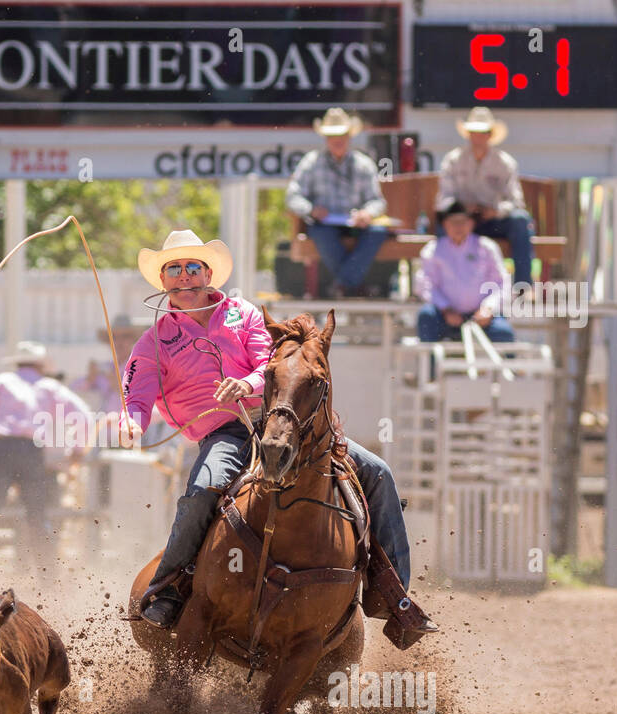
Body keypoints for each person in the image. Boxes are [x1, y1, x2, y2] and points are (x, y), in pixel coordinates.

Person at [120, 229, 436, 637]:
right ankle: (170, 587)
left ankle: (395, 597)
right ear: (163, 281)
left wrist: (247, 386)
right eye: (174, 269)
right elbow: (138, 394)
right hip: (226, 433)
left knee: (377, 472)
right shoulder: (154, 342)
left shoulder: (243, 314)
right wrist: (132, 422)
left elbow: (270, 364)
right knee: (203, 491)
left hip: (282, 421)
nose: (184, 276)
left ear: (208, 273)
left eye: (192, 267)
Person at [0, 340, 92, 570]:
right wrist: (77, 448)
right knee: (37, 517)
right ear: (41, 364)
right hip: (31, 452)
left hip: (2, 449)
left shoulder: (2, 381)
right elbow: (83, 415)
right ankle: (48, 578)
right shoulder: (48, 386)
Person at [285, 108, 389, 297]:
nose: (337, 139)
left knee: (378, 232)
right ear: (325, 138)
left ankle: (342, 284)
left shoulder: (364, 164)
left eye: (341, 134)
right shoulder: (311, 162)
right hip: (325, 225)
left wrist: (367, 213)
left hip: (357, 225)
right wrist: (311, 210)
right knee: (320, 232)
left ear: (349, 136)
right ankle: (354, 286)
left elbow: (377, 201)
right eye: (332, 135)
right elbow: (293, 197)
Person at [435, 106, 534, 292]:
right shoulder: (453, 160)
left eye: (482, 132)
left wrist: (495, 211)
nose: (477, 137)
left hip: (493, 222)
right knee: (443, 224)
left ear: (490, 135)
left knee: (521, 221)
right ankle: (443, 285)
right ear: (468, 134)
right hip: (461, 222)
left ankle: (522, 287)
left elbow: (515, 202)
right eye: (474, 132)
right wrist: (462, 210)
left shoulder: (504, 163)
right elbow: (444, 200)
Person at [415, 201, 518, 344]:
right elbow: (426, 284)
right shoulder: (432, 250)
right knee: (427, 317)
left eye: (462, 222)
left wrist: (488, 308)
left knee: (503, 333)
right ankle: (429, 366)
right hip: (445, 317)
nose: (458, 227)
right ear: (445, 225)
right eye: (453, 222)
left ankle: (506, 367)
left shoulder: (487, 247)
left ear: (471, 224)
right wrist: (446, 309)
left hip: (482, 317)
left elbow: (501, 283)